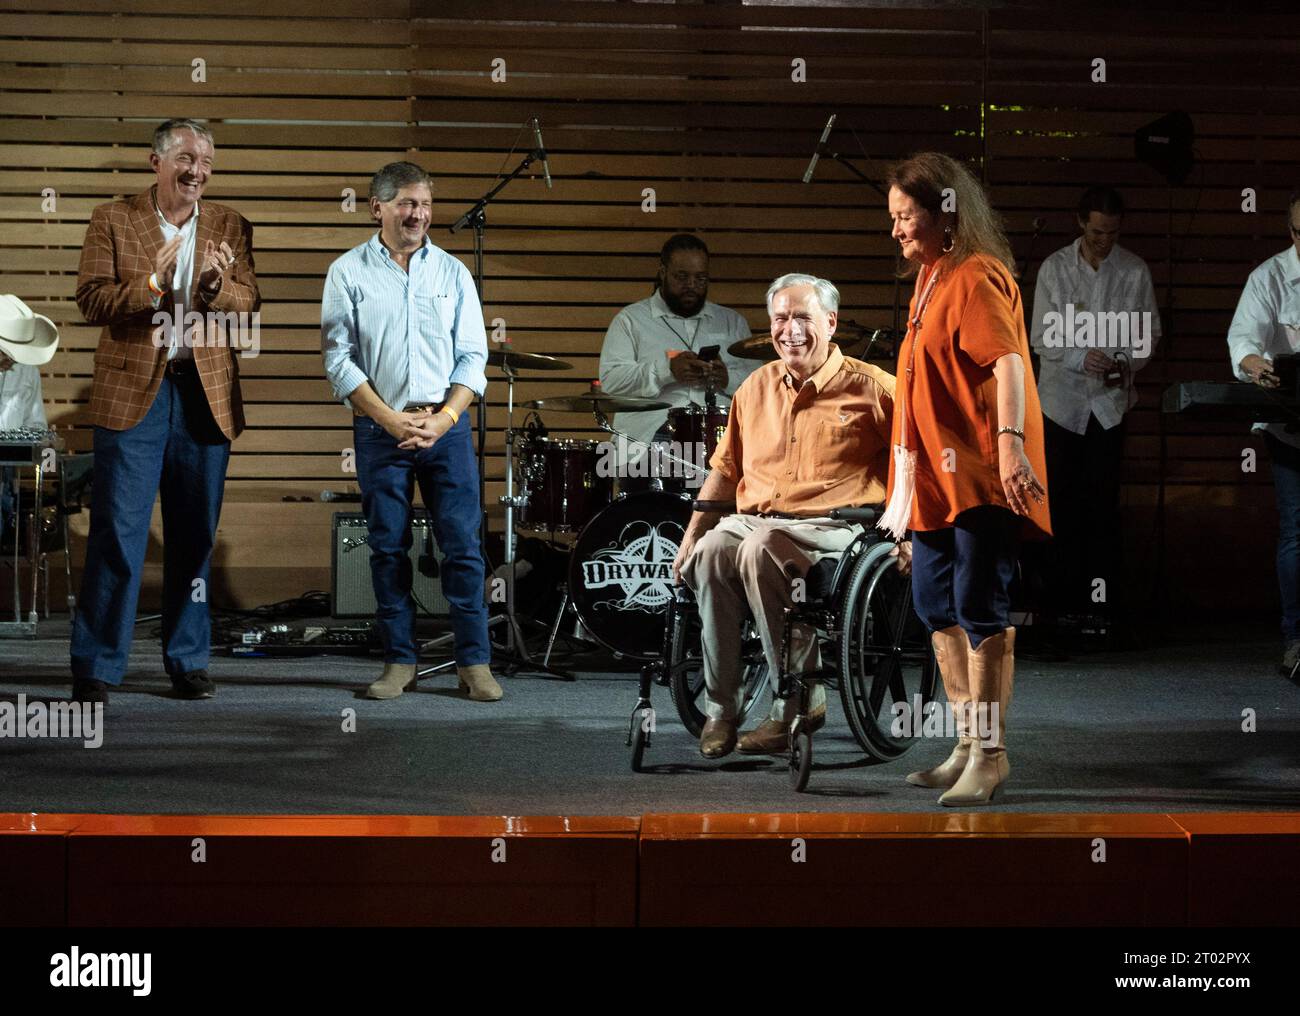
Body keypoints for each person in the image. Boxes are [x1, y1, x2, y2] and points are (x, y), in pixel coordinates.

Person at [879, 152, 1051, 806]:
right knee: (933, 604)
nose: (896, 229)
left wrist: (1009, 447)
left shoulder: (976, 275)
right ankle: (966, 741)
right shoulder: (931, 276)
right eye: (893, 217)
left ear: (943, 213)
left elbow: (1008, 363)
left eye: (906, 216)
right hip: (934, 478)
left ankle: (991, 754)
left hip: (979, 472)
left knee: (980, 606)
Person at [672, 273, 899, 758]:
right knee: (712, 552)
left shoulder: (874, 389)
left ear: (831, 323)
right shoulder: (754, 388)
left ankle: (794, 701)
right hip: (758, 521)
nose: (790, 330)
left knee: (761, 548)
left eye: (802, 317)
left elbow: (917, 462)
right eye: (780, 318)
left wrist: (912, 534)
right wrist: (692, 536)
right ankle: (721, 709)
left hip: (834, 527)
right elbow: (725, 471)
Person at [71, 119, 258, 704]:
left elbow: (248, 302)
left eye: (206, 162)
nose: (197, 171)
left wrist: (213, 287)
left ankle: (188, 659)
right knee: (118, 533)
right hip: (134, 397)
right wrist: (153, 282)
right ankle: (98, 665)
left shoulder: (230, 225)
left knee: (195, 535)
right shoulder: (112, 218)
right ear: (156, 162)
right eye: (186, 158)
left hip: (204, 396)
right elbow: (91, 301)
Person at [321, 161, 500, 703]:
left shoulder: (453, 273)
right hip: (381, 430)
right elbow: (338, 359)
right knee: (386, 548)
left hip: (446, 429)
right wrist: (388, 418)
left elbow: (473, 357)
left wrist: (444, 419)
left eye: (424, 204)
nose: (418, 214)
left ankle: (474, 663)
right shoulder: (347, 272)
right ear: (377, 208)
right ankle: (399, 660)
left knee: (463, 547)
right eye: (406, 203)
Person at [1029, 187, 1160, 642]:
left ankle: (1098, 609)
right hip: (1061, 405)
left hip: (1108, 406)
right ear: (1081, 222)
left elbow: (1148, 334)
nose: (1105, 240)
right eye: (1098, 231)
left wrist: (1124, 361)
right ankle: (1059, 608)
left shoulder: (1134, 270)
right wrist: (1080, 356)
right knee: (1060, 506)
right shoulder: (1054, 268)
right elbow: (1041, 337)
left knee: (1102, 509)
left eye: (1113, 232)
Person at [599, 234, 754, 488]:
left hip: (717, 439)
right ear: (663, 272)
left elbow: (757, 386)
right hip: (648, 440)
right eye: (682, 277)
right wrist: (666, 371)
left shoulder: (731, 322)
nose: (691, 285)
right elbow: (611, 382)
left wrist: (726, 379)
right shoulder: (630, 320)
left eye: (700, 278)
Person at [1227, 189, 1300, 679]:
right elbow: (1244, 342)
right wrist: (1257, 366)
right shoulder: (1268, 277)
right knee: (1298, 529)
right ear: (1290, 230)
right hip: (1290, 425)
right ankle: (1296, 639)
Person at [0, 294, 59, 540]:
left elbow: (35, 424)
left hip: (6, 476)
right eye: (6, 353)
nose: (12, 361)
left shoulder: (27, 372)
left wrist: (42, 441)